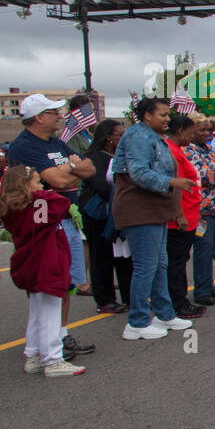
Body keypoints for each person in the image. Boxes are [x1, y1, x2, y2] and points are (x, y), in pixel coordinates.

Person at [7, 93, 97, 357]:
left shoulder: (56, 142)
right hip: (42, 218)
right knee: (46, 282)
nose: (59, 116)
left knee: (65, 281)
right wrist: (71, 169)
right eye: (53, 112)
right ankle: (46, 345)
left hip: (67, 217)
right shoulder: (24, 146)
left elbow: (89, 168)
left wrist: (68, 170)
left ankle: (60, 335)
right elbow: (57, 182)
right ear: (38, 117)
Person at [109, 96, 195, 339]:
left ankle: (164, 314)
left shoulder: (153, 138)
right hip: (139, 209)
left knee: (160, 264)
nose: (168, 119)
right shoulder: (138, 137)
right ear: (147, 115)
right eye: (163, 115)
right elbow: (138, 172)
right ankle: (136, 322)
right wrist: (171, 182)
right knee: (146, 266)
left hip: (155, 208)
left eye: (168, 115)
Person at [0, 166, 86, 377]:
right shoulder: (38, 204)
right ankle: (53, 359)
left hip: (33, 265)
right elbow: (62, 203)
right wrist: (42, 193)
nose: (42, 185)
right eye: (37, 181)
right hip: (46, 264)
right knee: (49, 314)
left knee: (37, 313)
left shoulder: (17, 208)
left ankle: (33, 354)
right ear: (25, 186)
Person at [79, 119, 132, 314]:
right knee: (101, 256)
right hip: (98, 214)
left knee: (123, 256)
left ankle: (129, 297)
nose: (122, 138)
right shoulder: (94, 157)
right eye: (119, 135)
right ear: (108, 137)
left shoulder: (119, 155)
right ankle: (105, 299)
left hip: (119, 211)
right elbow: (101, 185)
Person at [185, 116, 215, 306]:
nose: (206, 133)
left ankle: (208, 284)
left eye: (208, 130)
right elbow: (202, 174)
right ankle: (202, 290)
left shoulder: (208, 149)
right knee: (203, 248)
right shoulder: (189, 150)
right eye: (201, 129)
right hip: (201, 207)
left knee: (210, 247)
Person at [164, 114, 205, 320]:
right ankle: (178, 302)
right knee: (176, 262)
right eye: (190, 131)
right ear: (180, 131)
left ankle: (177, 300)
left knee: (179, 260)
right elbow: (175, 186)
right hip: (180, 218)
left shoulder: (177, 150)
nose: (191, 136)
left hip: (189, 213)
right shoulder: (171, 152)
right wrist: (179, 215)